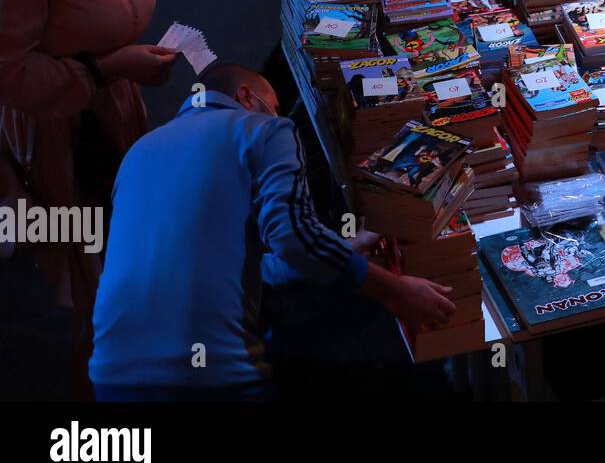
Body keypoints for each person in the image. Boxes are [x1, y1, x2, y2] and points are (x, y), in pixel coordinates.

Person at [90, 64, 457, 401]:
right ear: (246, 96)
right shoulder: (262, 129)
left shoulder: (141, 151)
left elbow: (229, 265)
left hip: (113, 373)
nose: (279, 114)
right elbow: (294, 239)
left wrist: (340, 247)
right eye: (275, 104)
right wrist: (394, 291)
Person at [0, 0, 175, 321]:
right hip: (63, 133)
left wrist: (116, 65)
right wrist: (107, 68)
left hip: (110, 106)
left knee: (124, 242)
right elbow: (10, 74)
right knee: (93, 282)